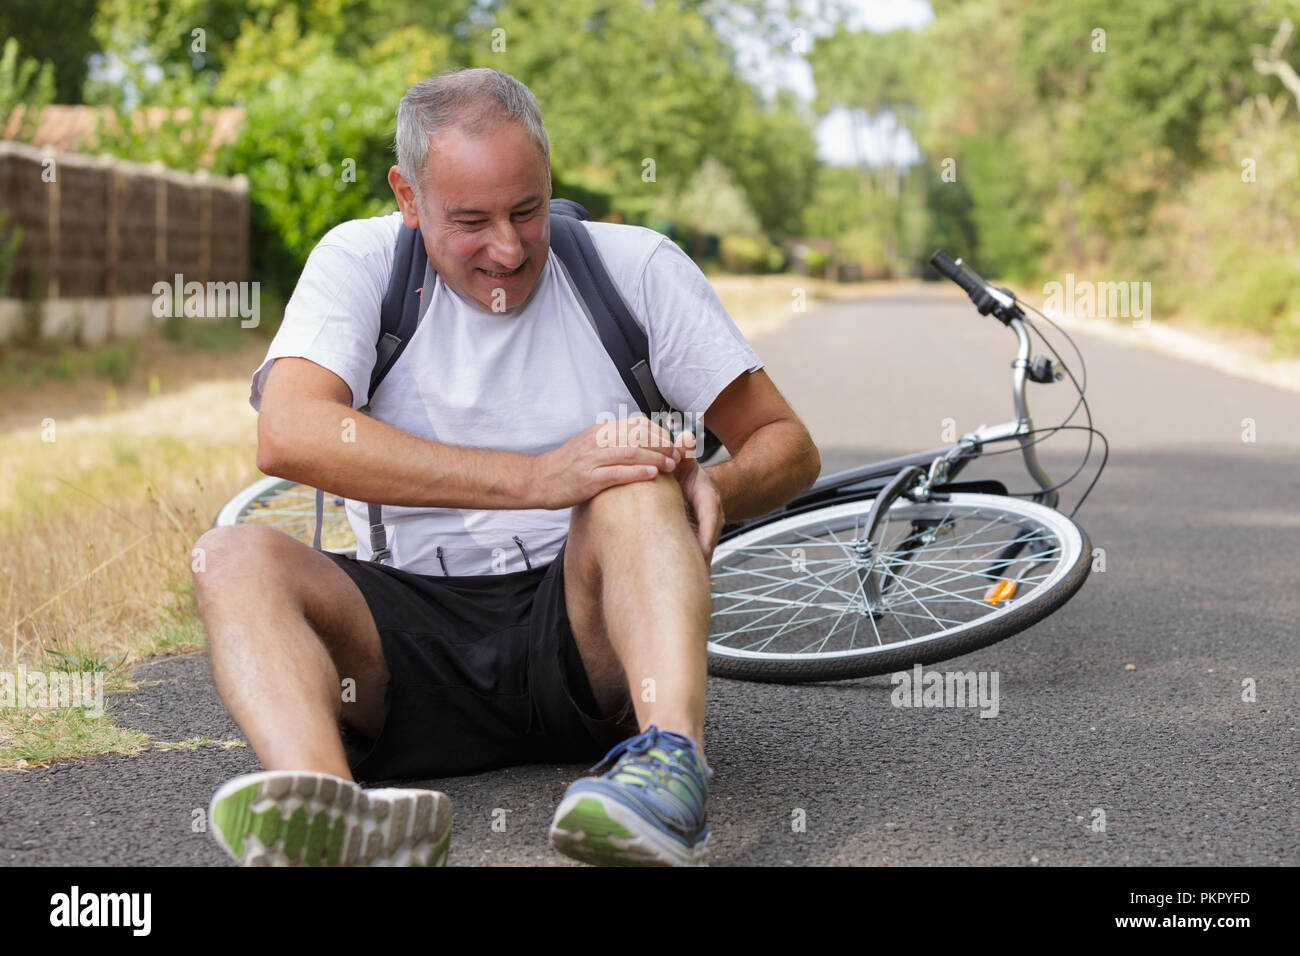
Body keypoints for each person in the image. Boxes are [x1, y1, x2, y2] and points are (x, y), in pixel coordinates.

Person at [194, 67, 820, 867]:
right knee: (229, 555)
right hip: (406, 645)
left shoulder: (635, 268)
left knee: (636, 478)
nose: (509, 247)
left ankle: (669, 771)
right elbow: (291, 433)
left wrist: (709, 488)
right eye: (471, 220)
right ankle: (331, 811)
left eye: (528, 209)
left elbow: (785, 441)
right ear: (408, 198)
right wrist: (533, 479)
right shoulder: (358, 263)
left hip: (586, 633)